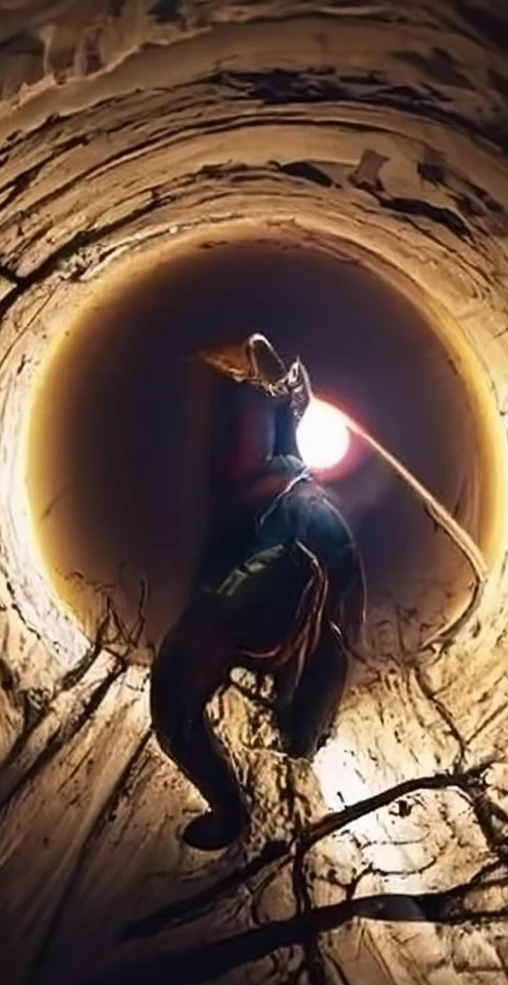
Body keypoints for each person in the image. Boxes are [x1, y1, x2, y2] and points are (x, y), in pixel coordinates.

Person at [150, 333, 366, 851]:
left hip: (275, 543)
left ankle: (285, 750)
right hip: (264, 540)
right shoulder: (276, 480)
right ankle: (292, 743)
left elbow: (338, 635)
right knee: (180, 699)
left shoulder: (292, 493)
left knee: (179, 702)